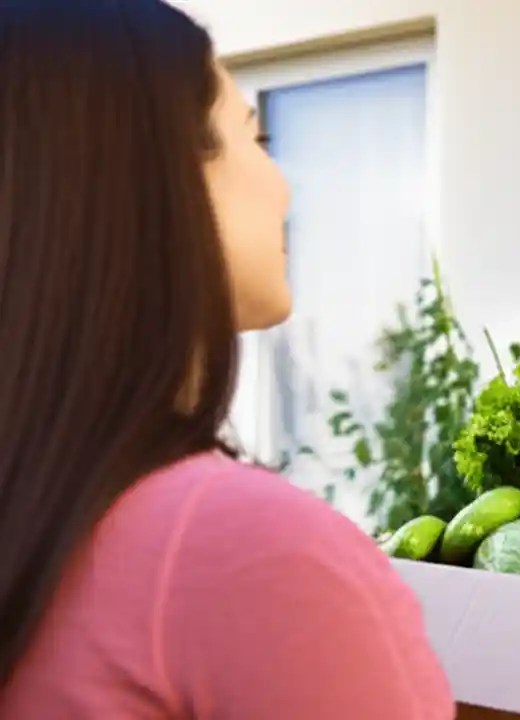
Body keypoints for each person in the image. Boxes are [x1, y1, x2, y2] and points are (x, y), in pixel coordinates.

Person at [0, 1, 455, 717]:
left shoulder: (39, 511)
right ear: (160, 179)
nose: (286, 185)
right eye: (255, 135)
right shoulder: (249, 553)